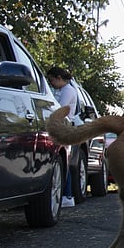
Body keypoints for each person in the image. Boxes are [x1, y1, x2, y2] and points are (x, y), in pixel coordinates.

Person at [46, 66, 81, 207]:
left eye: (52, 80)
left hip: (65, 126)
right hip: (62, 125)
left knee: (63, 160)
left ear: (59, 78)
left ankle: (67, 195)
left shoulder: (68, 90)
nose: (51, 83)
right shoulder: (62, 90)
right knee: (62, 160)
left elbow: (60, 108)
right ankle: (66, 194)